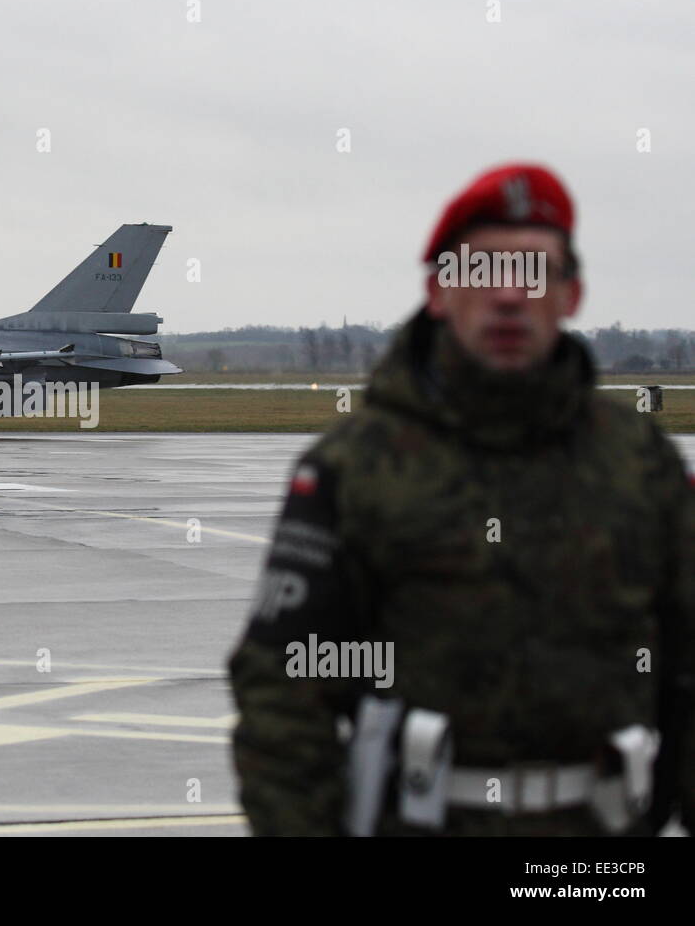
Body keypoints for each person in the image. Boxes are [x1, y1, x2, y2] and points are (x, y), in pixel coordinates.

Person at [228, 164, 693, 835]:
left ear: (572, 294)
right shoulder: (353, 468)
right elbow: (282, 687)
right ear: (439, 292)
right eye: (481, 271)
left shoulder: (640, 465)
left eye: (534, 271)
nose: (508, 295)